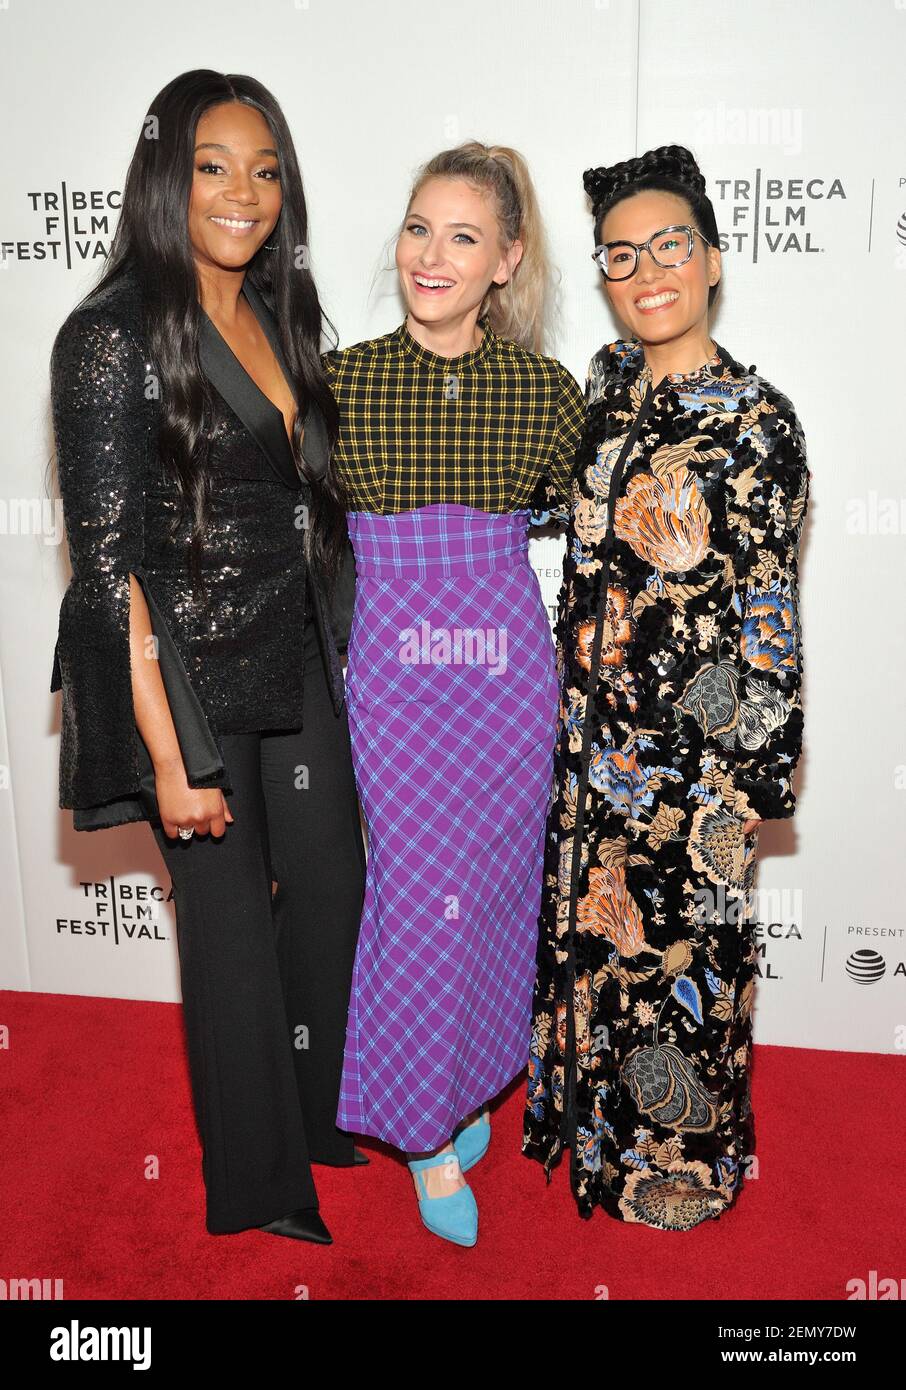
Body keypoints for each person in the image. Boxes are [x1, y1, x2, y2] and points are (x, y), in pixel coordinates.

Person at [49, 70, 365, 1243]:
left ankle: (315, 1104)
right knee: (228, 930)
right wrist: (167, 750)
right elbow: (106, 565)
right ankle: (262, 1183)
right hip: (183, 671)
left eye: (266, 169)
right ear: (164, 178)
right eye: (214, 167)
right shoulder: (109, 334)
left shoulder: (284, 310)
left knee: (332, 882)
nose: (244, 194)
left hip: (293, 654)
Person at [522, 144, 810, 1231]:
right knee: (594, 949)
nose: (649, 271)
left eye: (671, 246)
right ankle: (594, 1141)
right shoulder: (602, 382)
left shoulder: (758, 423)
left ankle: (679, 1171)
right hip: (593, 743)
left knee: (683, 970)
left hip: (694, 766)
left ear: (714, 259)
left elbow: (770, 614)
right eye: (622, 253)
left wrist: (751, 786)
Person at [322, 142, 585, 1246]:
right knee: (415, 899)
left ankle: (466, 1091)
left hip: (505, 671)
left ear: (506, 261)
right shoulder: (338, 381)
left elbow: (576, 531)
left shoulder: (546, 393)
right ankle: (424, 1139)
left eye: (463, 237)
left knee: (490, 898)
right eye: (419, 228)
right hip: (393, 660)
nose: (432, 255)